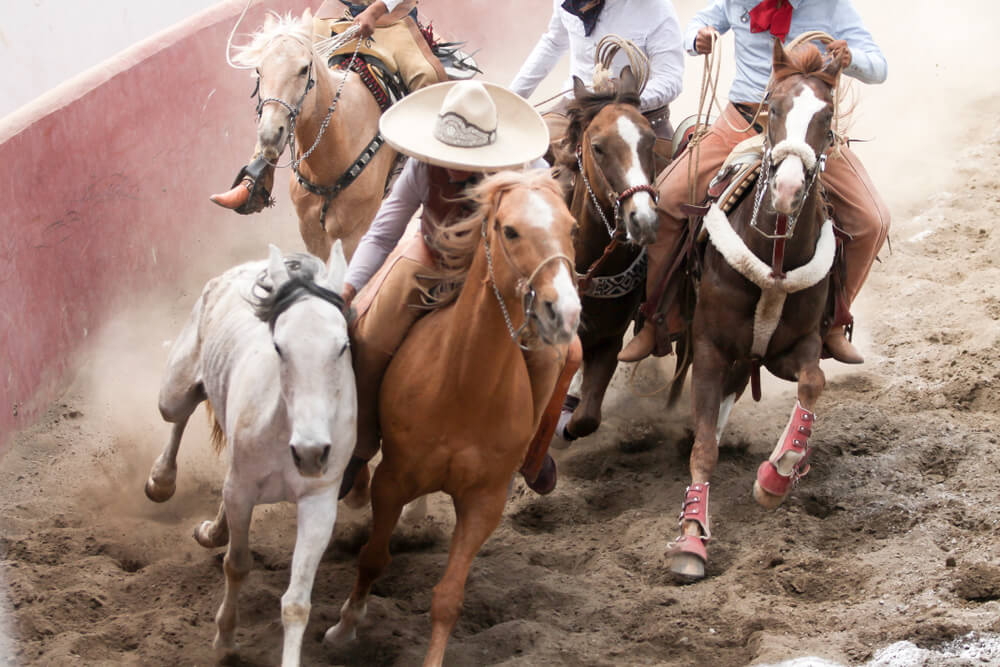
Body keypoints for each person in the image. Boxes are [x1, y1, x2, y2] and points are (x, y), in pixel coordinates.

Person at [618, 0, 890, 364]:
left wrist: (850, 56)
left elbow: (879, 67)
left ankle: (833, 324)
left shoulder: (831, 5)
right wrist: (695, 37)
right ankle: (658, 319)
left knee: (872, 220)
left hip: (805, 127)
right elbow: (701, 20)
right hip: (744, 118)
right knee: (665, 202)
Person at [337, 79, 571, 497]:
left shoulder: (527, 173)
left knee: (560, 353)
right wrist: (350, 286)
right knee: (370, 338)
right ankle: (360, 444)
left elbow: (553, 238)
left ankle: (527, 450)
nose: (447, 162)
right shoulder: (422, 166)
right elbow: (383, 230)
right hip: (432, 258)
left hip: (504, 275)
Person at [209, 0, 446, 212]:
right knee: (285, 67)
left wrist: (375, 10)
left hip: (391, 18)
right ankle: (257, 177)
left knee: (429, 78)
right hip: (335, 12)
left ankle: (436, 178)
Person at [509, 0, 685, 141]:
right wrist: (511, 96)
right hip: (575, 109)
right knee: (531, 155)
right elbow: (553, 44)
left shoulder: (657, 7)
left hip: (640, 118)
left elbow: (670, 79)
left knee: (662, 183)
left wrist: (623, 99)